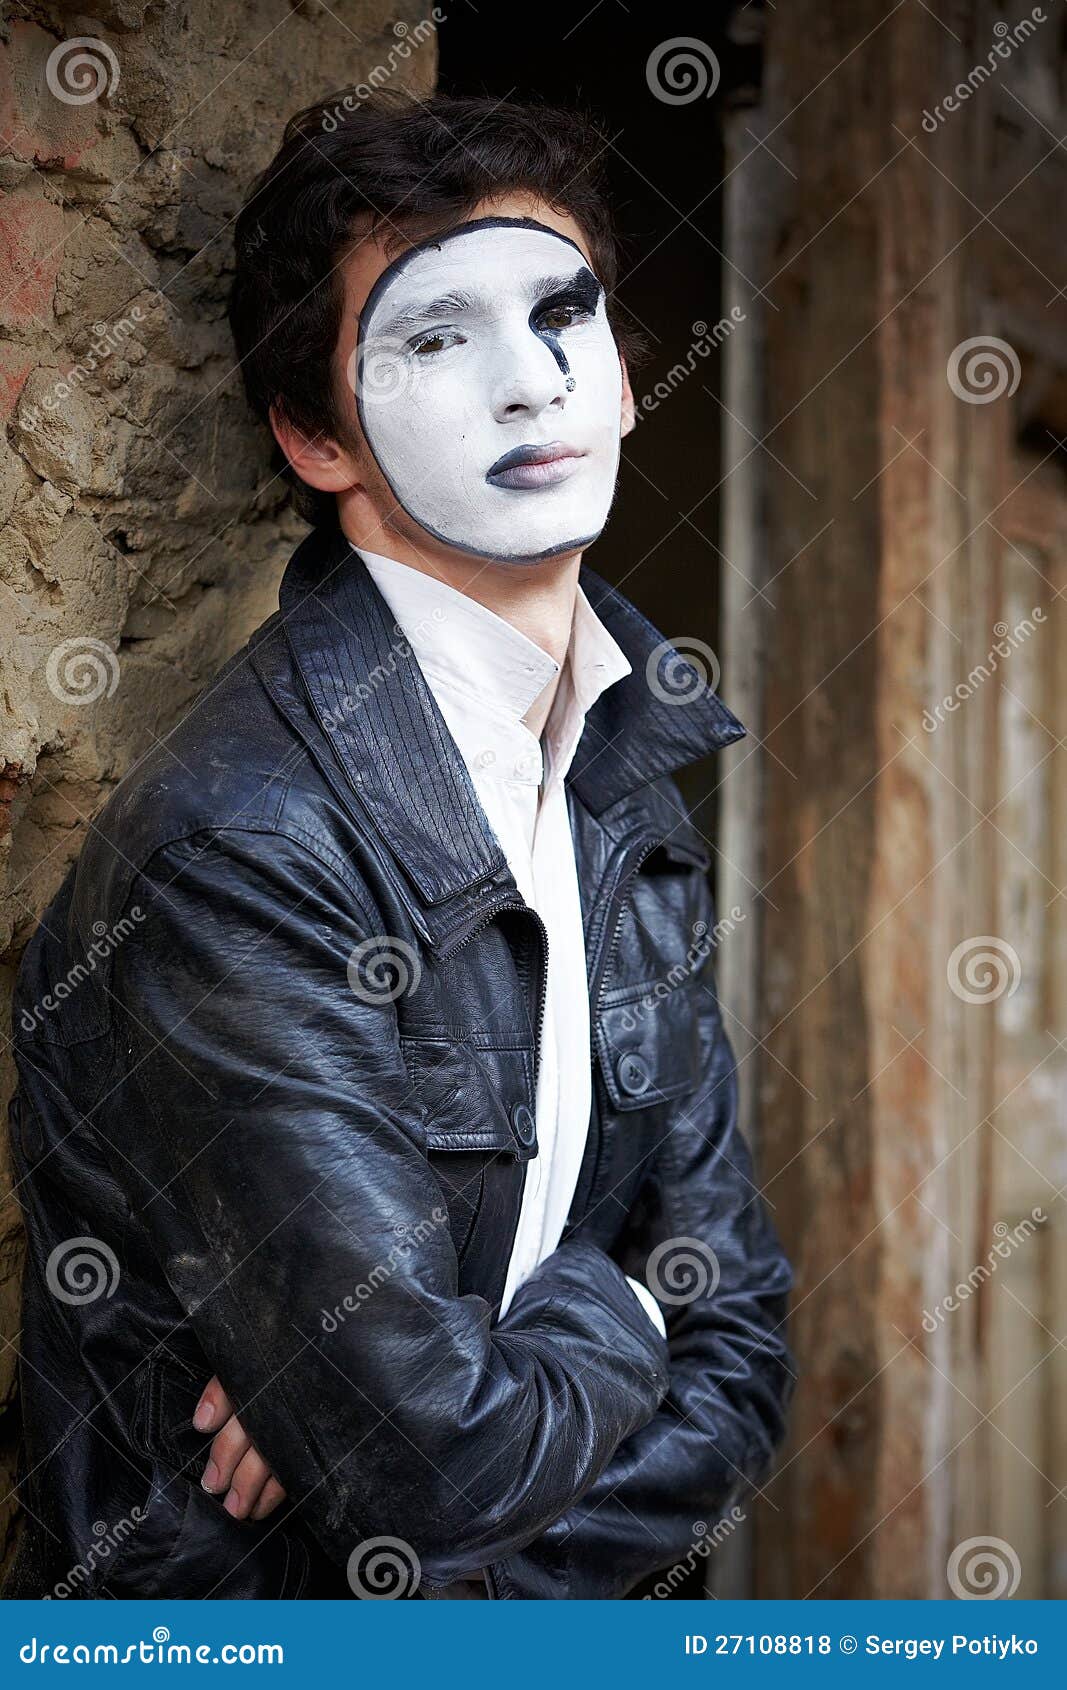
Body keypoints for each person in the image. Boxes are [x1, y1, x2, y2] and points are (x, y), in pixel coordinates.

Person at [6, 91, 793, 1601]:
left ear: (628, 378)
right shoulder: (238, 844)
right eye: (435, 338)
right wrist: (630, 1308)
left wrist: (530, 1347)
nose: (526, 382)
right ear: (316, 434)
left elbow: (745, 1348)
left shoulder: (626, 767)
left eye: (563, 311)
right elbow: (433, 1468)